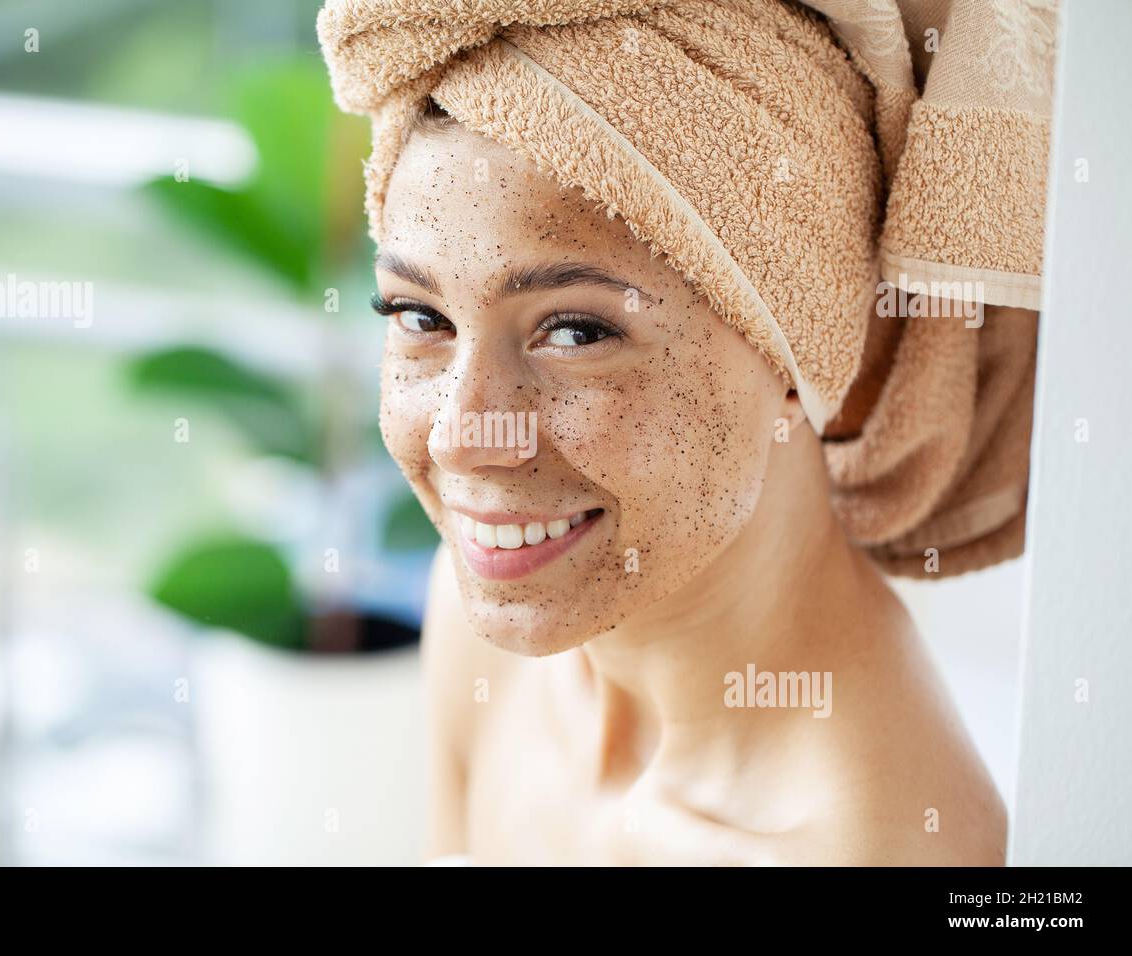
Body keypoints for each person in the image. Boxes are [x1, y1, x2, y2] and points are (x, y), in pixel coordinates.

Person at [319, 0, 1055, 865]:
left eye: (577, 333)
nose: (460, 436)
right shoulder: (483, 623)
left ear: (800, 348)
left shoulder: (873, 847)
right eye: (418, 314)